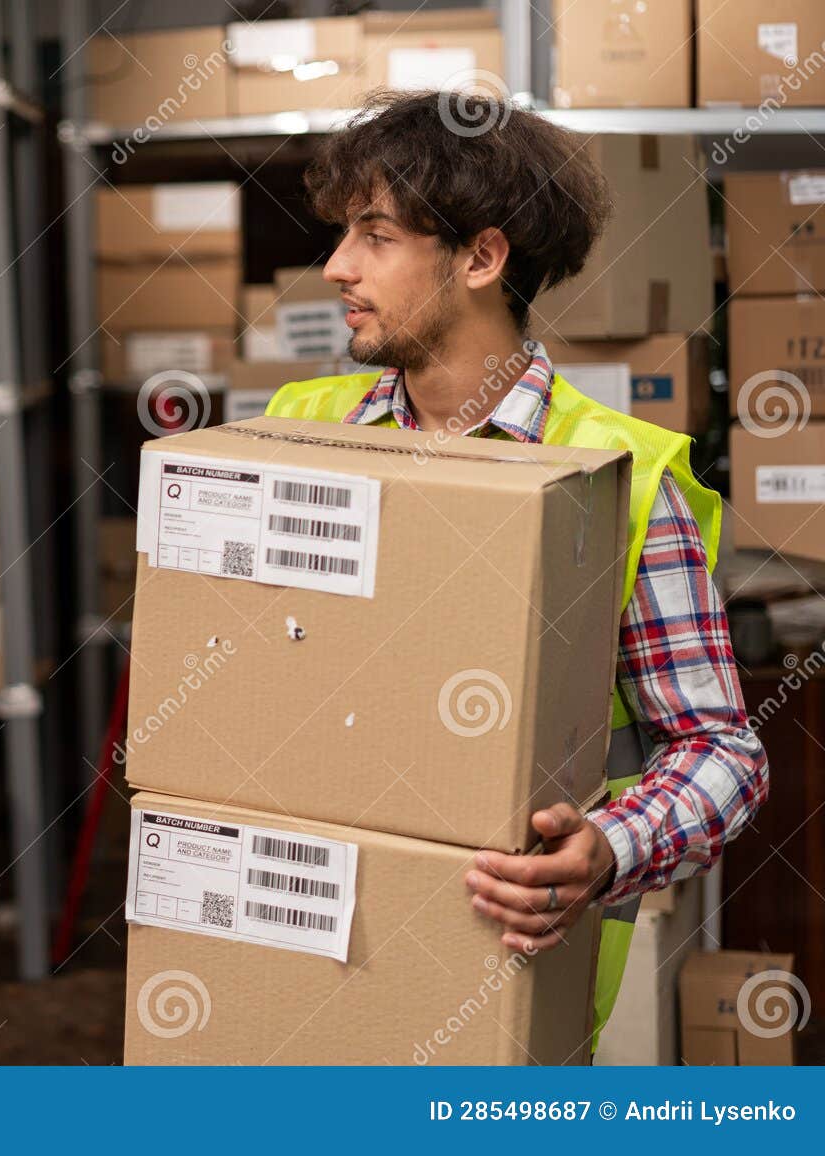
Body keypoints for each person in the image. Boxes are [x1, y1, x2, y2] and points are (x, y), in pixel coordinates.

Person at [265, 91, 769, 1045]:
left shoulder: (617, 479)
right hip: (288, 956)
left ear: (482, 258)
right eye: (344, 234)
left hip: (486, 981)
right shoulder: (298, 430)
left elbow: (722, 753)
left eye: (376, 235)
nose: (337, 267)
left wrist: (607, 850)